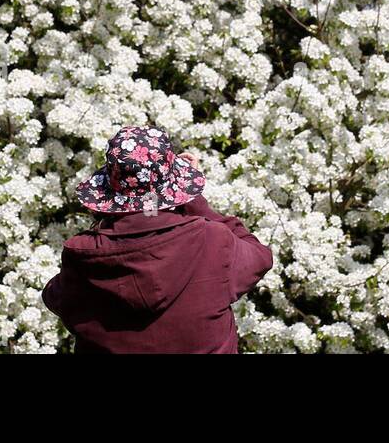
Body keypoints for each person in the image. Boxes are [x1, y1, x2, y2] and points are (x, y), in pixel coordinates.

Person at [42, 125, 274, 353]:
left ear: (110, 193)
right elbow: (260, 257)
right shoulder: (211, 240)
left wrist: (108, 222)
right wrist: (195, 203)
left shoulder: (84, 255)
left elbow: (54, 297)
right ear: (174, 187)